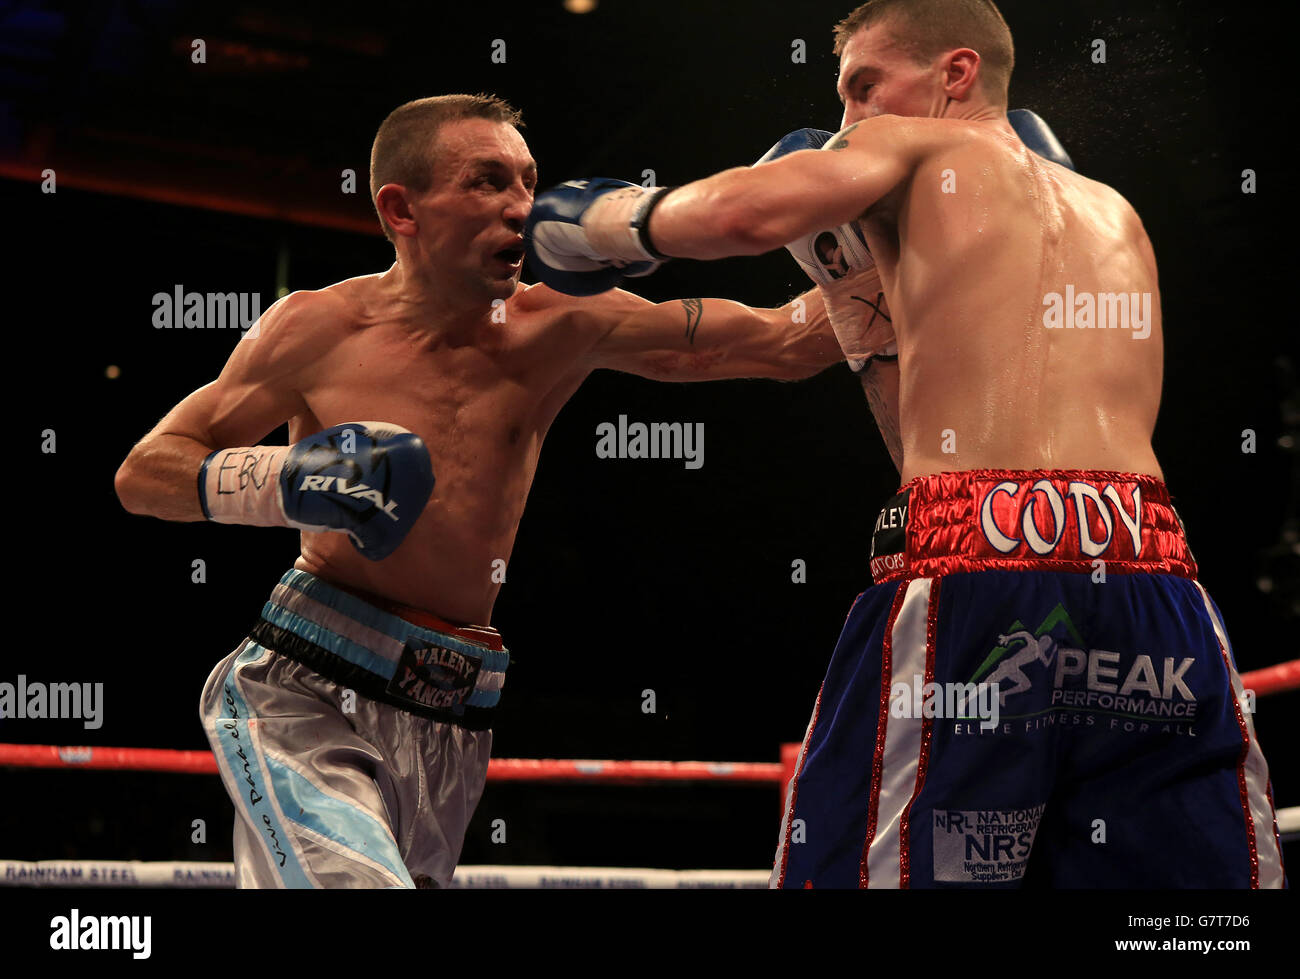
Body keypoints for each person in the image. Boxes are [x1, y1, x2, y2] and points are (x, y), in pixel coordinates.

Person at [524, 0, 1285, 888]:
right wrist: (586, 331)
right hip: (1153, 573)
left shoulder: (917, 148)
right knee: (1187, 906)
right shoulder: (1114, 214)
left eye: (864, 85)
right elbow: (779, 342)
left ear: (955, 73)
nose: (847, 121)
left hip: (983, 556)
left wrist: (605, 224)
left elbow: (739, 214)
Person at [114, 93, 844, 889]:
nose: (522, 208)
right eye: (488, 182)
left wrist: (884, 253)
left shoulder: (564, 322)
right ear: (402, 207)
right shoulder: (315, 328)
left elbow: (785, 344)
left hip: (454, 713)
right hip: (300, 691)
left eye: (529, 183)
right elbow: (145, 472)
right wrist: (285, 483)